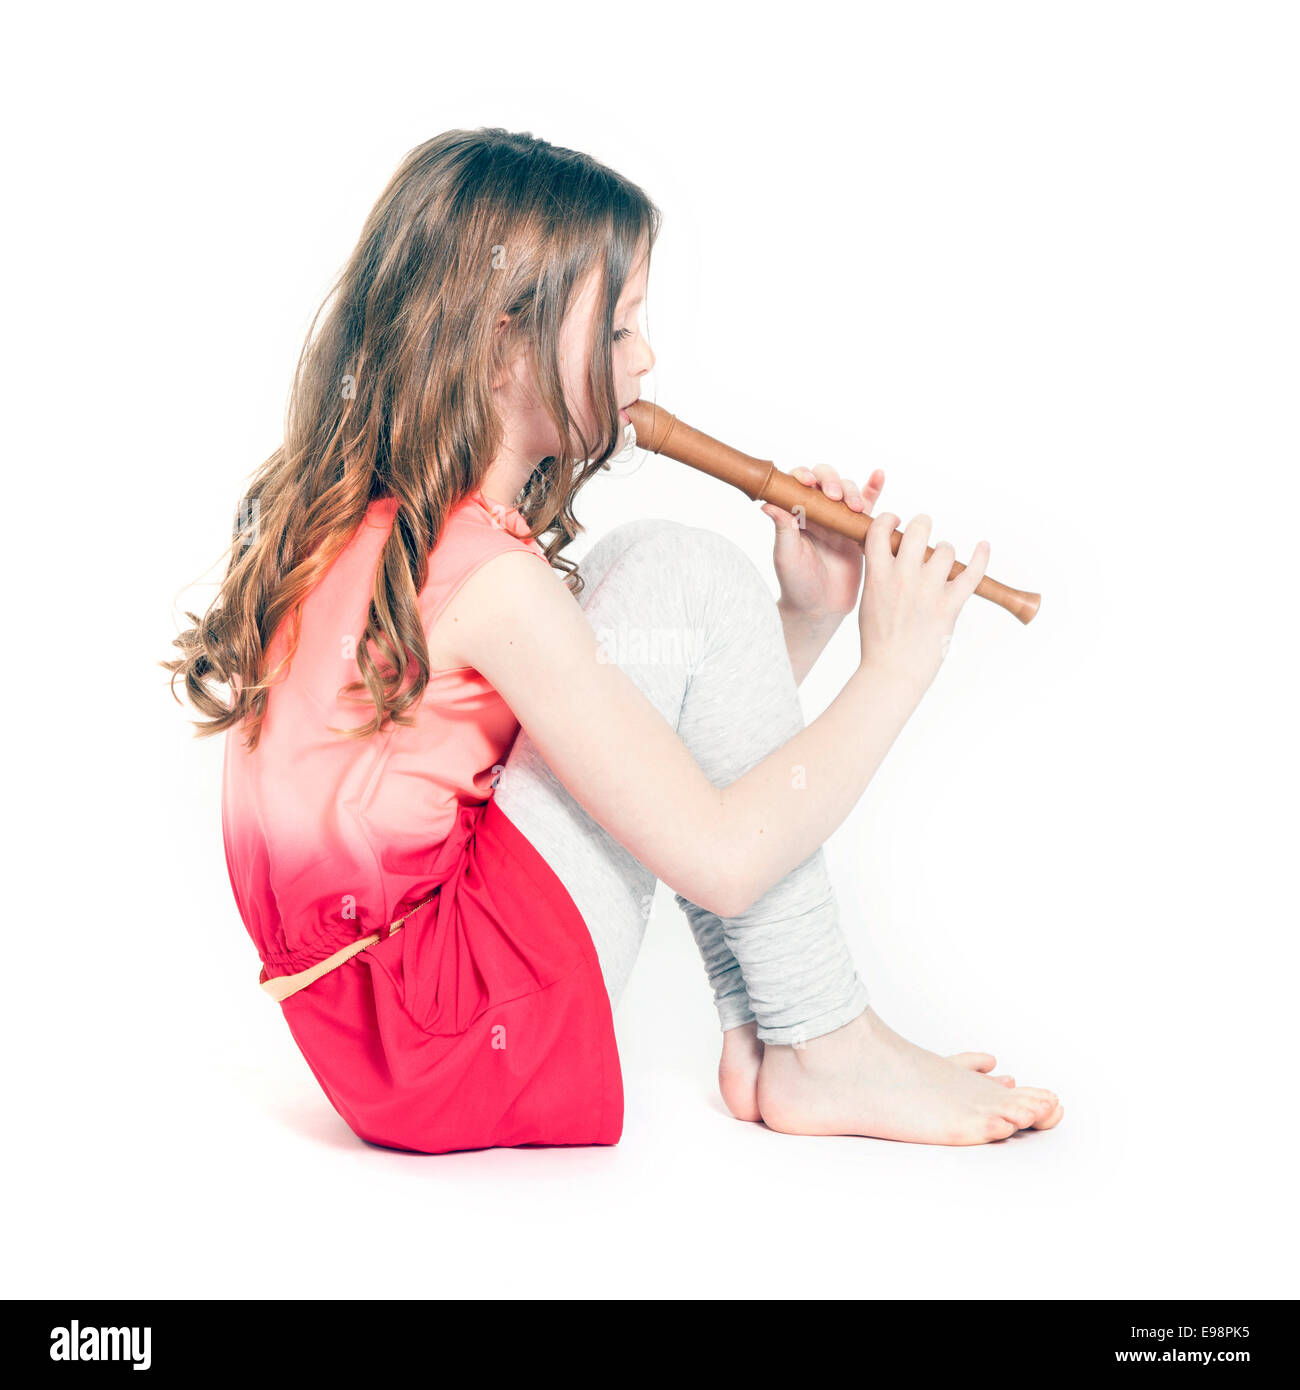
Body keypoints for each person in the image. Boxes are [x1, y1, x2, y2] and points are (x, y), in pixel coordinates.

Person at [165, 127, 1062, 1153]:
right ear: (503, 341)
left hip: (388, 1040)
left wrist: (806, 618)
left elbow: (637, 755)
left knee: (677, 578)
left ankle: (784, 1047)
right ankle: (823, 1040)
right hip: (455, 1034)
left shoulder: (393, 528)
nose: (648, 359)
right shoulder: (493, 582)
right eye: (622, 326)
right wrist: (895, 667)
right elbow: (719, 855)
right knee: (677, 566)